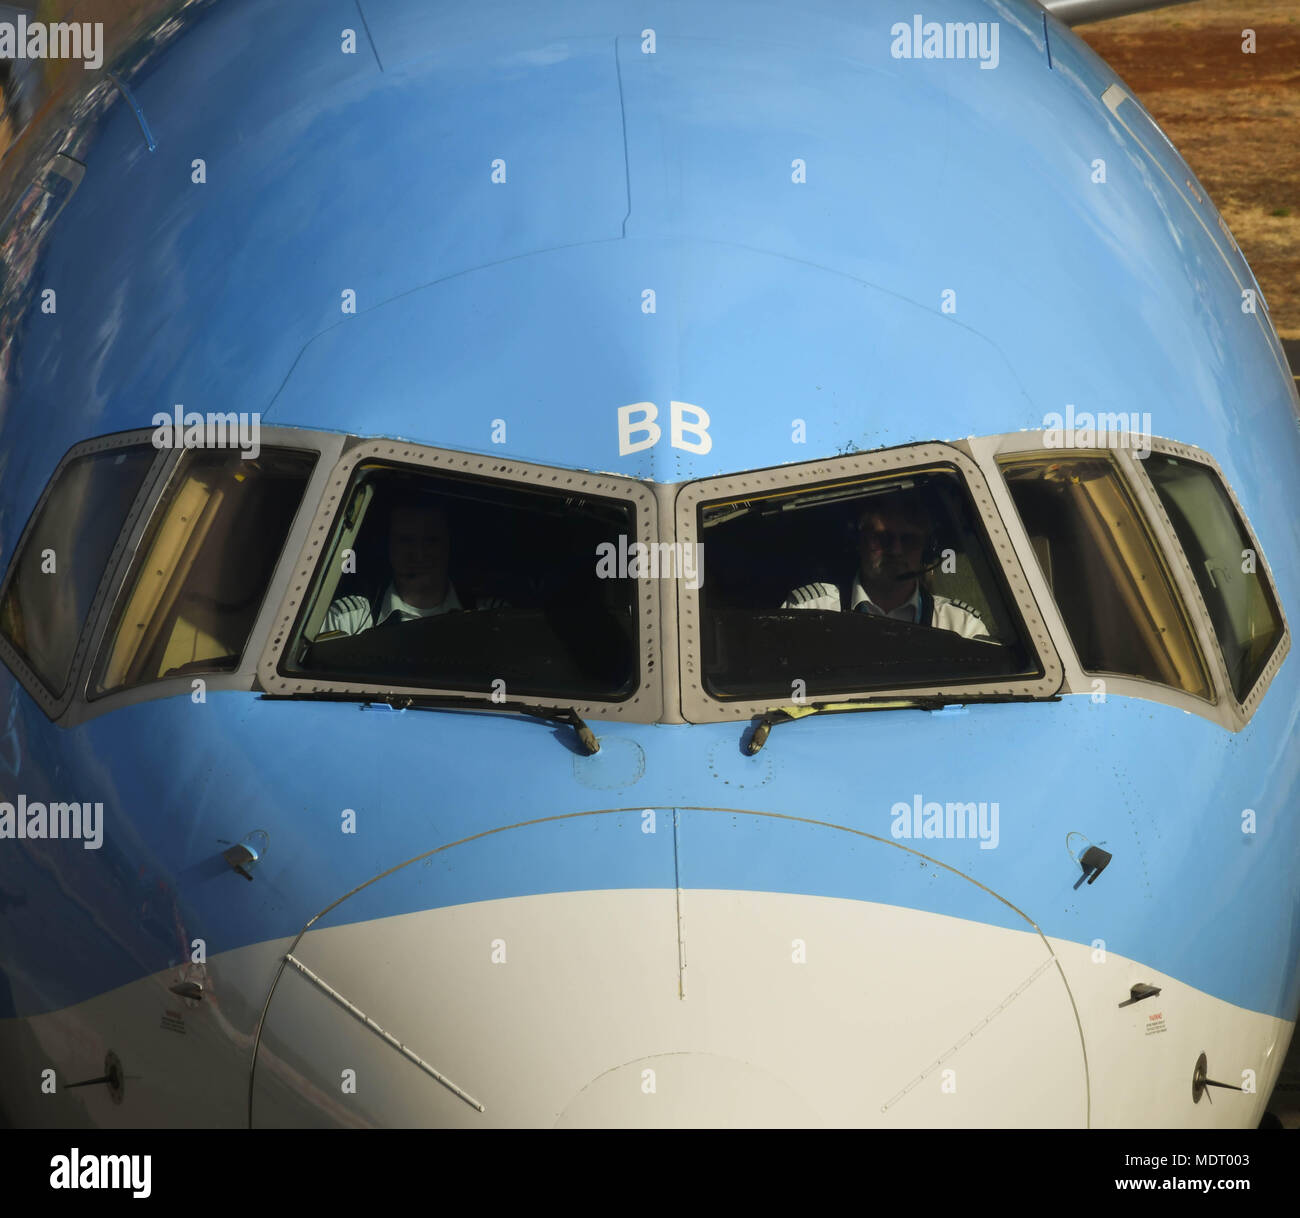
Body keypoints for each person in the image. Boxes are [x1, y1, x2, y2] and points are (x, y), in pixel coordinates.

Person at [782, 491, 989, 639]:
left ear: (926, 549)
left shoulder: (961, 626)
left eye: (908, 540)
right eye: (882, 538)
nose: (896, 551)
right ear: (858, 540)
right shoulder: (809, 611)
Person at [319, 494, 504, 637]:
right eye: (405, 540)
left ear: (449, 546)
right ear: (388, 546)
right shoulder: (347, 619)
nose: (419, 554)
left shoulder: (494, 617)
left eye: (431, 541)